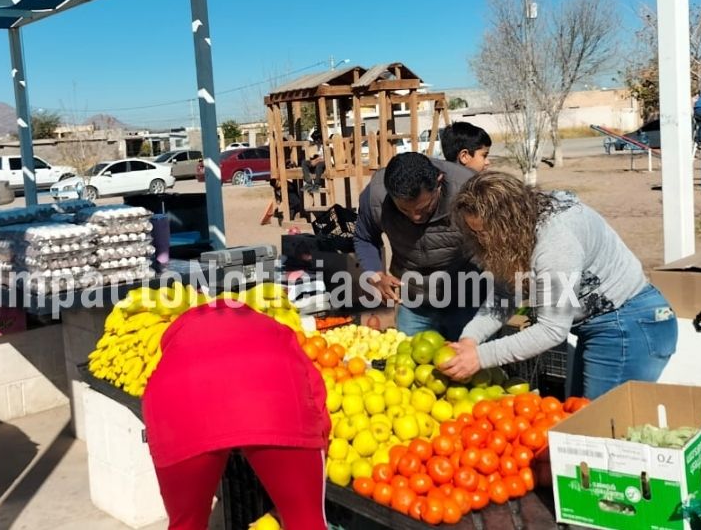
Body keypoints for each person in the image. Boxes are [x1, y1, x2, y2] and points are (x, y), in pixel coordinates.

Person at [439, 171, 678, 400]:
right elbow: (504, 294)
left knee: (597, 422)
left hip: (628, 327)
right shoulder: (521, 228)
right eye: (476, 233)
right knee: (579, 417)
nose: (483, 240)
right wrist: (470, 339)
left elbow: (552, 329)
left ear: (508, 221)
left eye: (487, 232)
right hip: (606, 326)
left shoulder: (556, 242)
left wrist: (481, 357)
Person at [142, 301, 330, 530]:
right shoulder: (275, 332)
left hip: (178, 400)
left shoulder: (173, 354)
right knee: (306, 520)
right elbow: (316, 397)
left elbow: (154, 406)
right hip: (272, 402)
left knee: (185, 525)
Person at [354, 152, 479, 340]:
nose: (415, 217)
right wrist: (376, 276)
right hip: (413, 303)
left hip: (466, 300)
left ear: (438, 183)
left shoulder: (470, 190)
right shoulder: (375, 197)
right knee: (408, 355)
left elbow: (496, 240)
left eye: (424, 208)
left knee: (467, 357)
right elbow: (364, 238)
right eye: (404, 210)